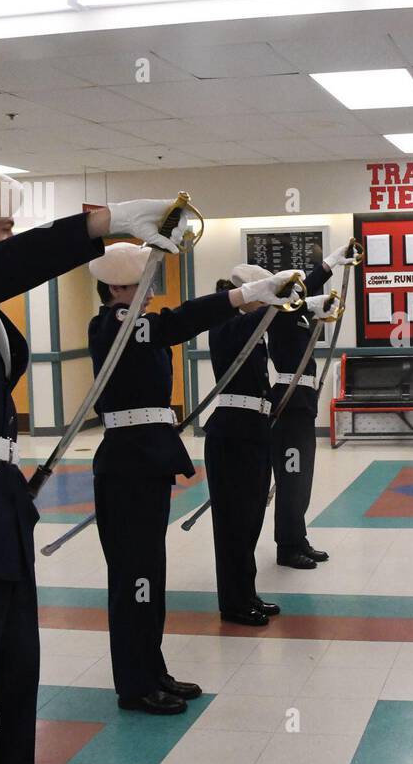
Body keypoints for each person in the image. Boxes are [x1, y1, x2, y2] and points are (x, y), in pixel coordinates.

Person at [0, 171, 187, 764]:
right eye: (2, 228)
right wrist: (104, 223)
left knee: (15, 681)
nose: (10, 237)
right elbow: (6, 268)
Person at [87, 244, 298, 713]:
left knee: (150, 575)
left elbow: (170, 326)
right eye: (142, 284)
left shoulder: (136, 326)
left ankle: (151, 668)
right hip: (127, 465)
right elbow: (178, 322)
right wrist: (244, 296)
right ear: (119, 287)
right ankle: (135, 683)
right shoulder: (115, 324)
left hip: (145, 462)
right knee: (134, 578)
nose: (149, 294)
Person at [204, 264, 303, 626]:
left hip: (254, 429)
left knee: (249, 522)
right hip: (232, 434)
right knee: (233, 526)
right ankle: (233, 602)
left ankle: (246, 594)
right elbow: (251, 325)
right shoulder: (227, 325)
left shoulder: (252, 327)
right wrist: (272, 300)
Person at [268, 245, 357, 569]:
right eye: (292, 288)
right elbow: (312, 284)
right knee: (291, 480)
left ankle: (297, 537)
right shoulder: (278, 313)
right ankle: (286, 547)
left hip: (303, 403)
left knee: (302, 479)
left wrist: (336, 262)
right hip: (289, 403)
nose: (299, 292)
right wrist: (332, 260)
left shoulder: (302, 315)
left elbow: (312, 289)